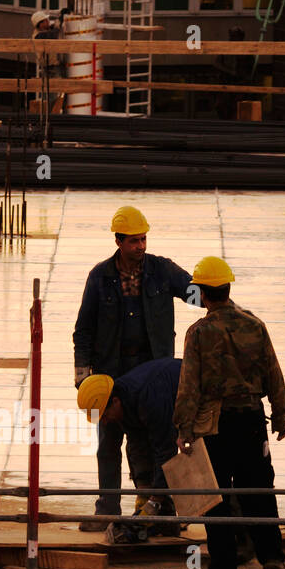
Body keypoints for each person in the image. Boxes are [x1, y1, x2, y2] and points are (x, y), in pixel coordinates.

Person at [73, 205, 193, 531]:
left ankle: (157, 509)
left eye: (143, 239)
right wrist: (82, 373)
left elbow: (194, 291)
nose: (140, 246)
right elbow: (83, 329)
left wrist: (218, 300)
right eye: (134, 241)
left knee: (151, 442)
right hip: (108, 375)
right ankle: (107, 510)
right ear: (118, 241)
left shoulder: (161, 271)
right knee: (107, 443)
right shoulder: (100, 277)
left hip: (149, 370)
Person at [173, 256, 285, 569]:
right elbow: (274, 374)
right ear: (227, 287)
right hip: (252, 419)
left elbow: (189, 386)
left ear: (203, 293)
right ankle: (273, 557)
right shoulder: (255, 325)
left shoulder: (198, 332)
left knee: (217, 495)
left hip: (215, 425)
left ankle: (224, 564)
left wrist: (183, 428)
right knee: (259, 489)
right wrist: (280, 416)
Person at [76, 358, 183, 542]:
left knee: (209, 465)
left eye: (105, 415)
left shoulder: (150, 398)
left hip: (199, 398)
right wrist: (143, 492)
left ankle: (236, 529)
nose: (105, 421)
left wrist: (154, 501)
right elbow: (137, 446)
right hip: (165, 401)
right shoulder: (123, 403)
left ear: (115, 401)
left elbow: (166, 452)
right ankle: (164, 520)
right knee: (140, 452)